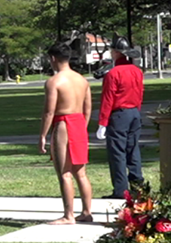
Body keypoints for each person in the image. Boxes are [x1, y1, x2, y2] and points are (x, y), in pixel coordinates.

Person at [39, 42, 95, 225]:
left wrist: (43, 135)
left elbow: (49, 111)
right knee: (81, 172)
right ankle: (87, 211)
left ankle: (68, 215)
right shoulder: (82, 80)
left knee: (64, 172)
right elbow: (88, 109)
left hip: (63, 122)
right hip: (79, 122)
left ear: (53, 59)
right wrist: (82, 127)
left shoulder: (54, 82)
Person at [97, 38, 146, 199]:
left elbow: (108, 99)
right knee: (133, 150)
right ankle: (137, 186)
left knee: (117, 153)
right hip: (134, 112)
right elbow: (139, 93)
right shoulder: (137, 71)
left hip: (119, 114)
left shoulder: (113, 73)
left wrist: (102, 123)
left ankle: (121, 189)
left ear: (116, 52)